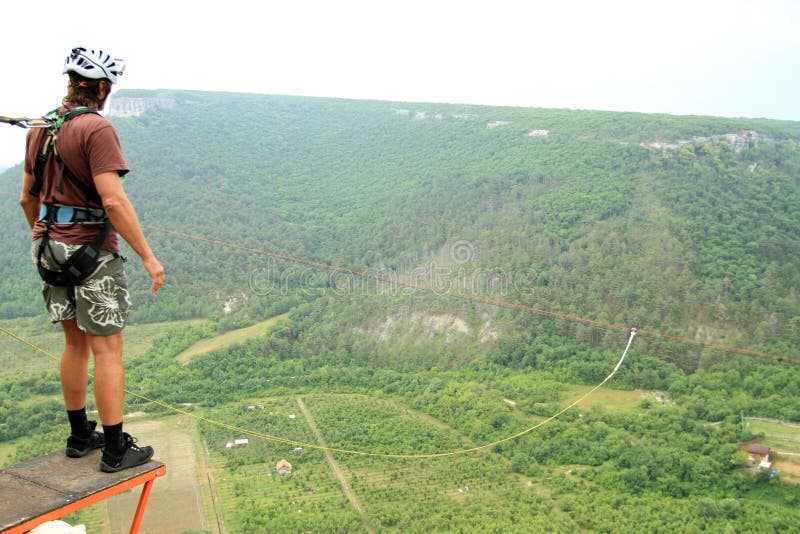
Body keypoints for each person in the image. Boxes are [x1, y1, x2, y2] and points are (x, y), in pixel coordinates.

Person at [19, 47, 165, 473]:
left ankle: (80, 435)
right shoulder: (96, 128)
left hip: (48, 246)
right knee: (108, 350)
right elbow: (113, 201)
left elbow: (27, 198)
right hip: (90, 250)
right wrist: (148, 257)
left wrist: (45, 237)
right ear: (101, 88)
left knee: (74, 343)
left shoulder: (42, 128)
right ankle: (116, 449)